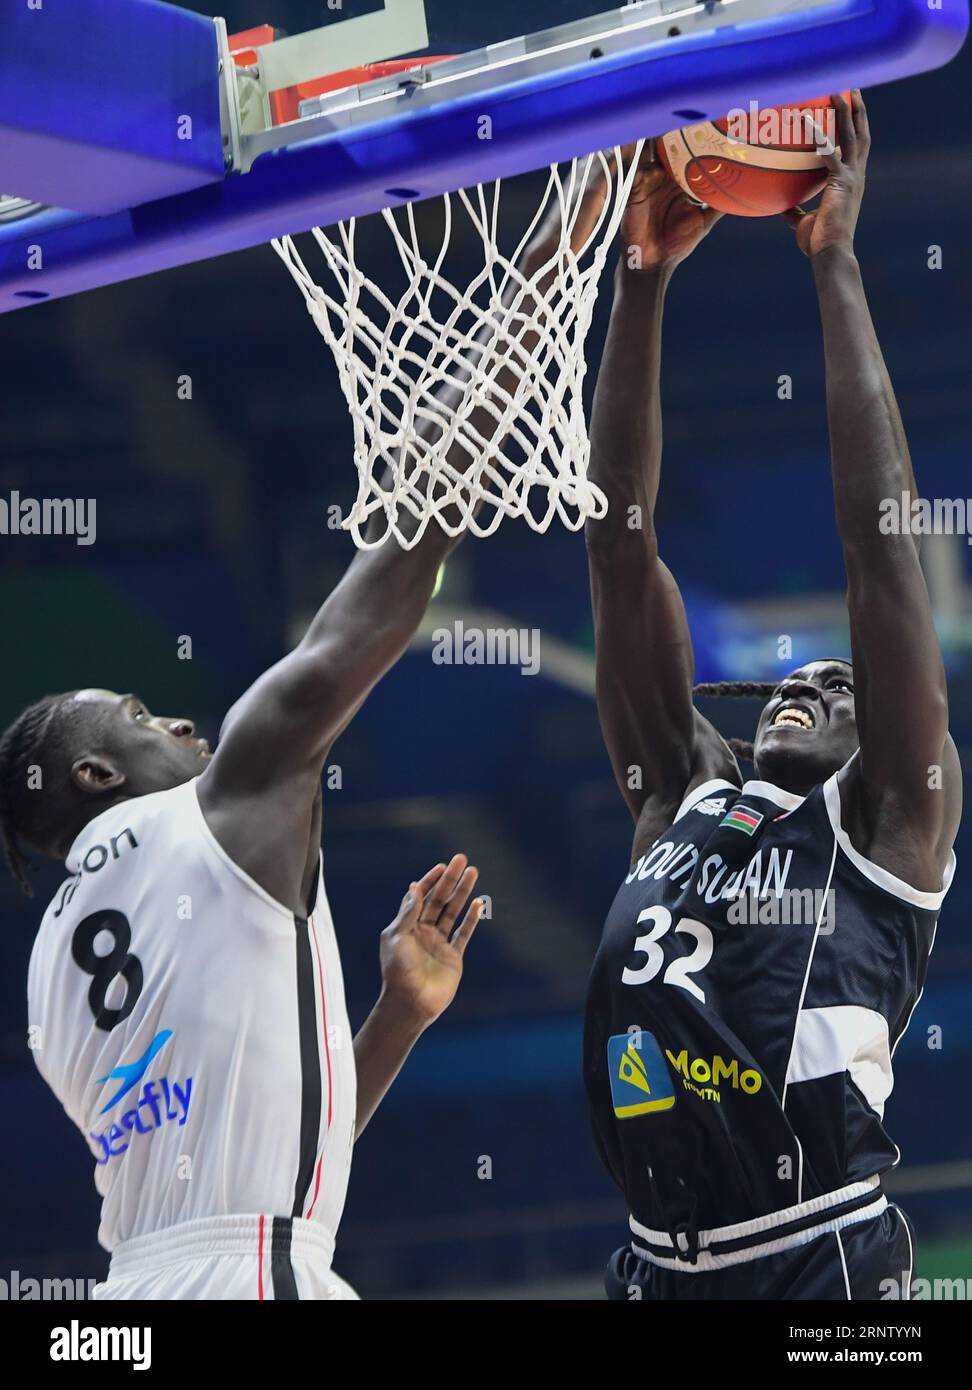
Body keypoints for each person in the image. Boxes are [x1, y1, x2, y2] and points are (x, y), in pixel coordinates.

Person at [5, 170, 603, 1299]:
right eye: (136, 719)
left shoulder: (48, 981)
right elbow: (404, 541)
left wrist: (396, 1016)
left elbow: (263, 1159)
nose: (174, 718)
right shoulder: (227, 796)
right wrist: (549, 261)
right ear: (94, 773)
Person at [583, 94, 961, 1300]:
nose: (808, 681)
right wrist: (639, 279)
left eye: (839, 684)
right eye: (795, 678)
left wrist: (835, 262)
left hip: (821, 1259)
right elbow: (619, 545)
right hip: (651, 1267)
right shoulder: (679, 792)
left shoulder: (891, 820)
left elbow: (881, 548)